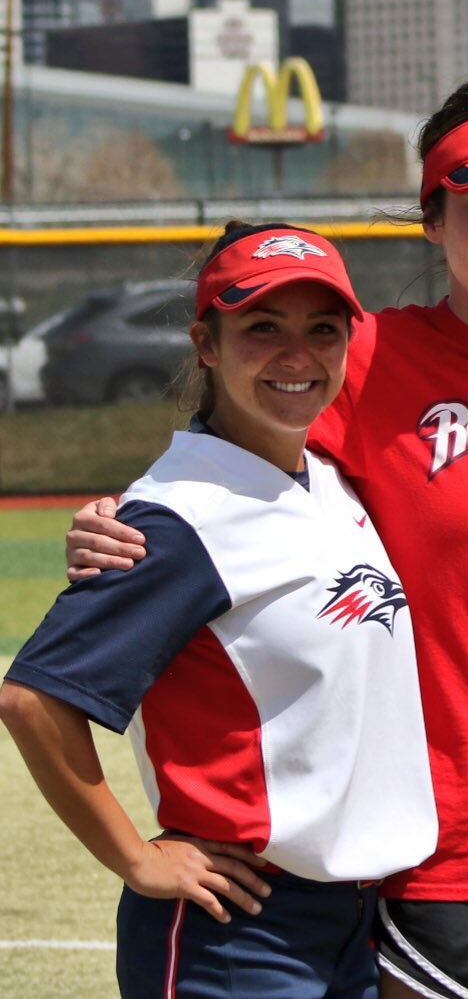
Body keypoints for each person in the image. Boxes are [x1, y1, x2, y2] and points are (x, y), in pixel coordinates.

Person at [66, 81, 468, 999]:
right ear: (433, 219)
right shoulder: (366, 358)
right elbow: (231, 458)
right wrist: (114, 519)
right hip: (444, 838)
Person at [4, 223, 435, 999]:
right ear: (206, 342)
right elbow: (33, 698)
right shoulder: (178, 519)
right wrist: (137, 857)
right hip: (238, 931)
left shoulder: (327, 480)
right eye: (262, 328)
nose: (296, 354)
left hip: (355, 924)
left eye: (322, 330)